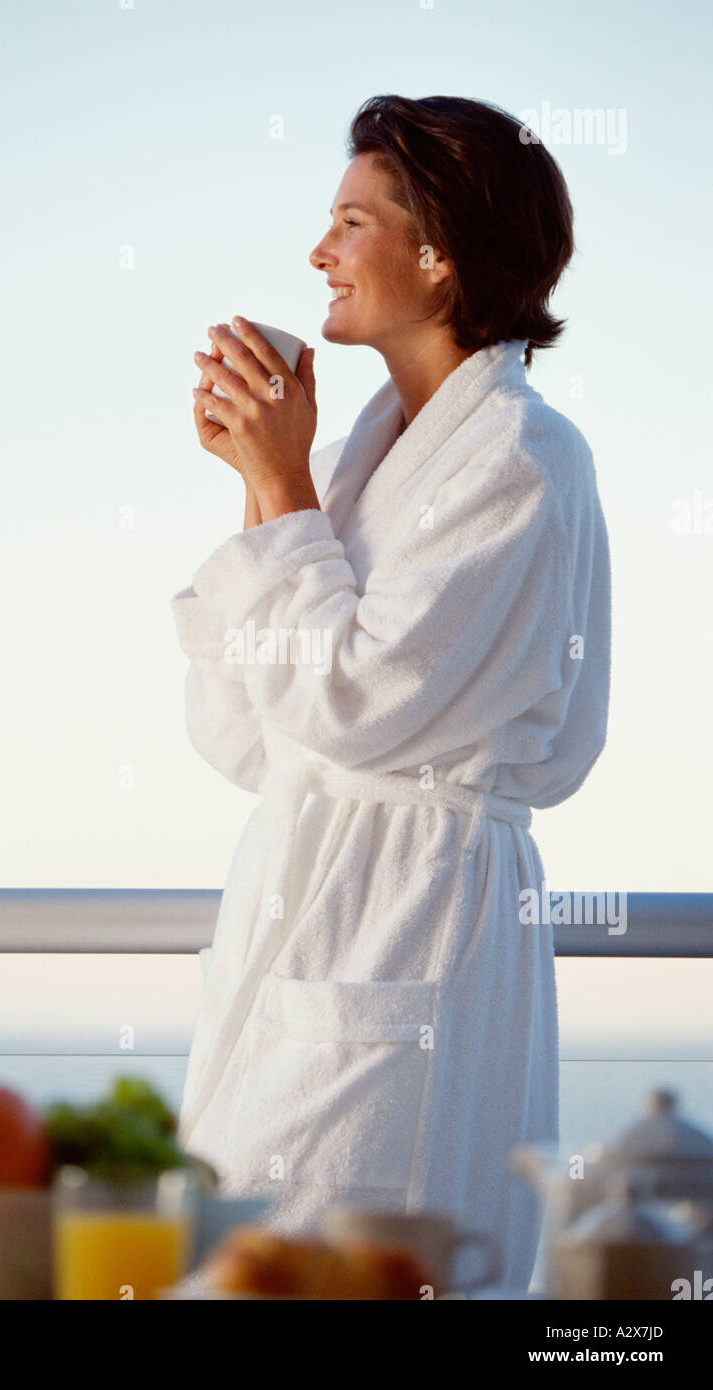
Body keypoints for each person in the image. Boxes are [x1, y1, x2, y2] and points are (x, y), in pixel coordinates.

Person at [173, 93, 611, 1293]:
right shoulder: (369, 455)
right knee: (238, 1261)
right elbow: (247, 737)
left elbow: (352, 705)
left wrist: (280, 482)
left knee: (330, 1265)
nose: (318, 252)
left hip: (412, 920)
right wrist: (268, 488)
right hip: (309, 897)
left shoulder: (519, 457)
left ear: (442, 253)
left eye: (352, 221)